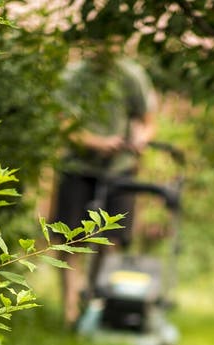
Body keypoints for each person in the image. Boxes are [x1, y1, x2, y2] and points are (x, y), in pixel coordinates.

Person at [54, 41, 157, 328]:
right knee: (72, 240)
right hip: (78, 167)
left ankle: (101, 308)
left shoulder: (131, 75)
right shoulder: (73, 76)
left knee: (111, 241)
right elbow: (61, 122)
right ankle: (70, 315)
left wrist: (140, 140)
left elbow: (147, 120)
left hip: (120, 170)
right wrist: (96, 143)